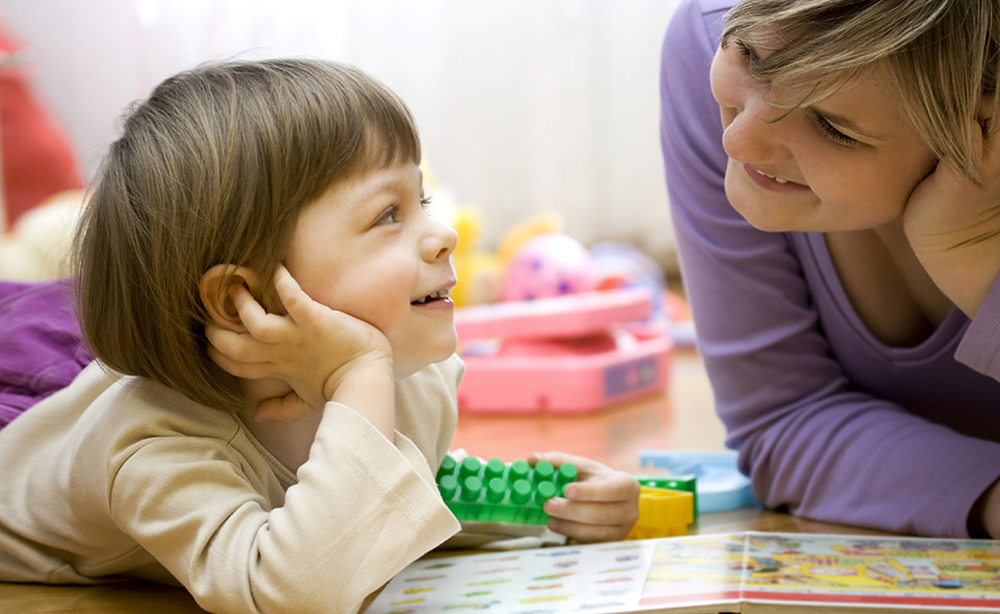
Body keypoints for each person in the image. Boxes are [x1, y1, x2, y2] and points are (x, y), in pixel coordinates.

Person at [0, 59, 640, 614]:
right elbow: (293, 593)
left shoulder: (401, 375)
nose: (441, 233)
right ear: (242, 301)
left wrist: (549, 513)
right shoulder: (153, 446)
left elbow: (377, 501)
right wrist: (358, 377)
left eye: (421, 201)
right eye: (387, 214)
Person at [661, 0, 1000, 540]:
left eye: (833, 128)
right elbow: (782, 422)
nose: (736, 141)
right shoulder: (710, 31)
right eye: (748, 57)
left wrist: (970, 255)